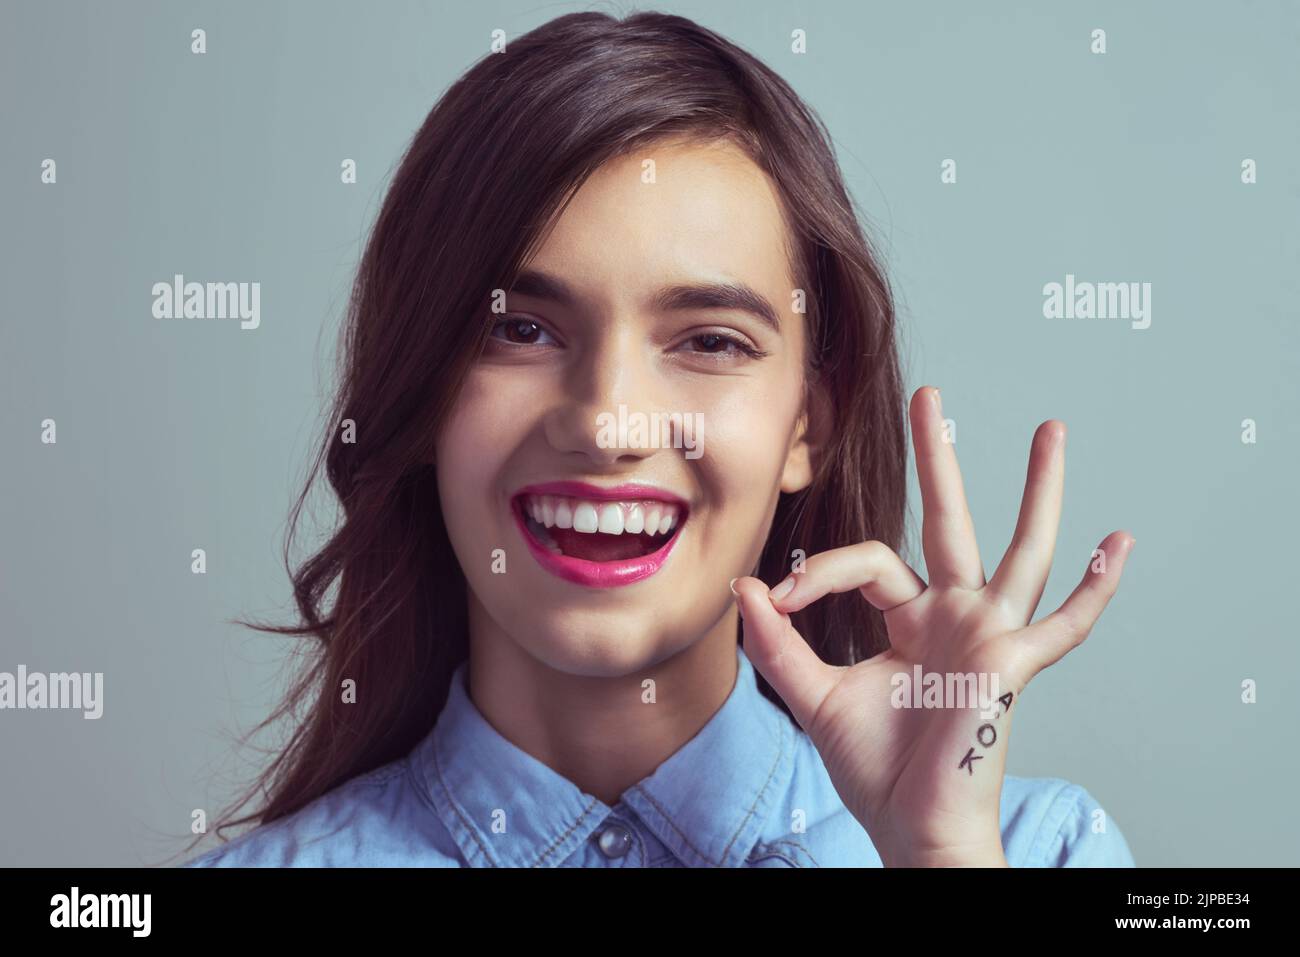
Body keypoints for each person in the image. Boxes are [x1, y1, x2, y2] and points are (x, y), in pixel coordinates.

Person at [185, 10, 1135, 868]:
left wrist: (937, 852)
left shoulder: (1035, 850)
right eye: (521, 329)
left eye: (711, 341)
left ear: (810, 419)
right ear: (426, 386)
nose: (608, 424)